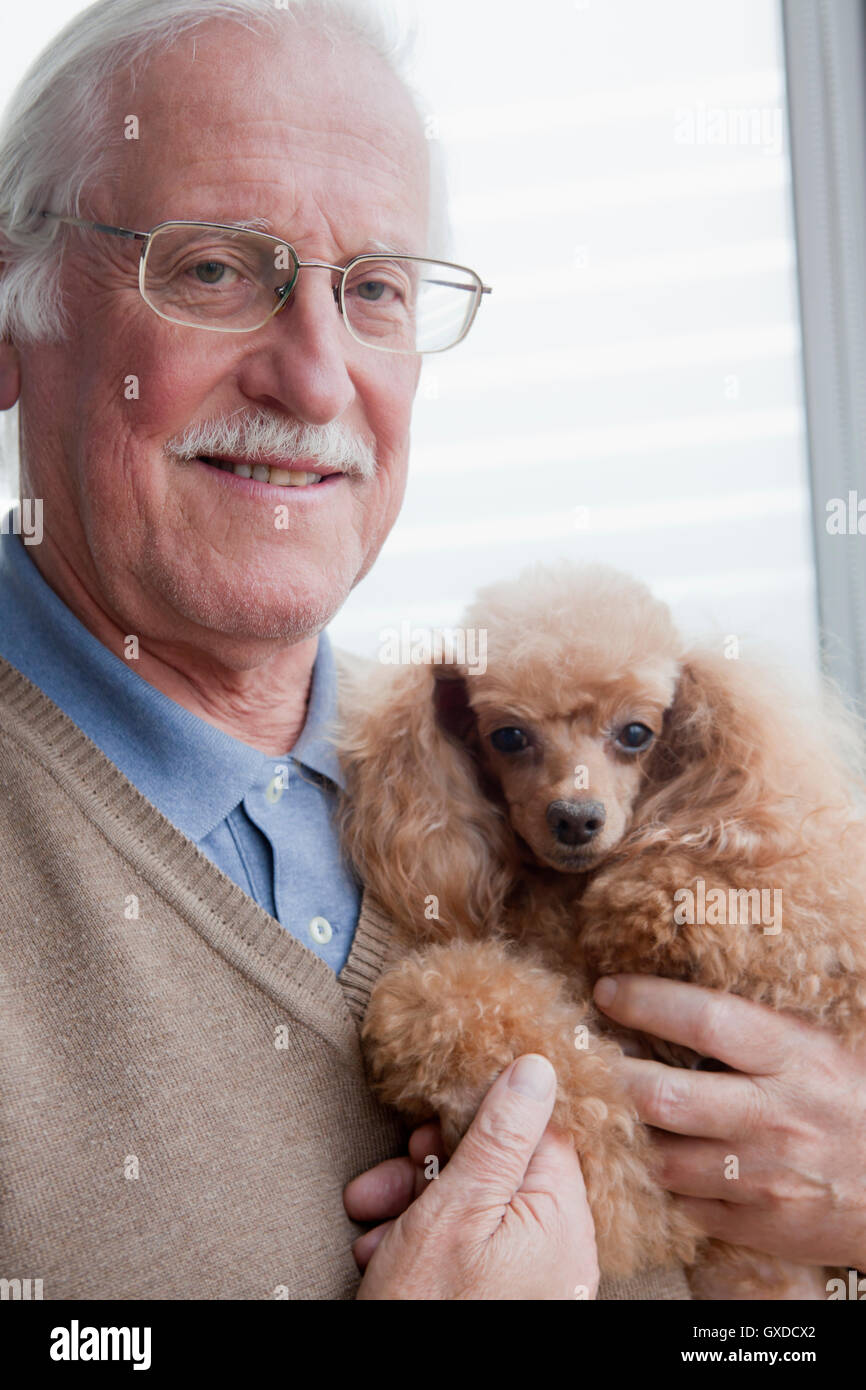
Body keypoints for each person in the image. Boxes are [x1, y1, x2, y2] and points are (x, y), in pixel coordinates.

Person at [1, 0, 862, 1303]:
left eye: (374, 292)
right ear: (17, 314)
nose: (314, 375)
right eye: (215, 269)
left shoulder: (542, 781)